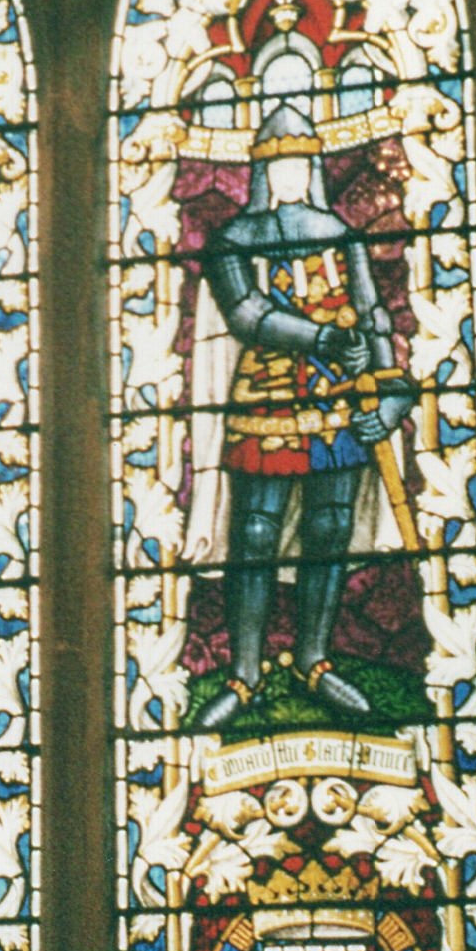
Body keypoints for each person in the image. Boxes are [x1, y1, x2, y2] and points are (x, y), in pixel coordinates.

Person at [182, 102, 415, 734]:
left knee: (330, 527)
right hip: (267, 398)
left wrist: (393, 393)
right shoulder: (236, 239)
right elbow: (248, 314)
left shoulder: (339, 234)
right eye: (277, 165)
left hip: (338, 402)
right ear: (261, 171)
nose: (289, 175)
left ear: (310, 168)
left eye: (298, 164)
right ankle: (246, 673)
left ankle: (315, 659)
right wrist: (321, 339)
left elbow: (371, 316)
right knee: (254, 535)